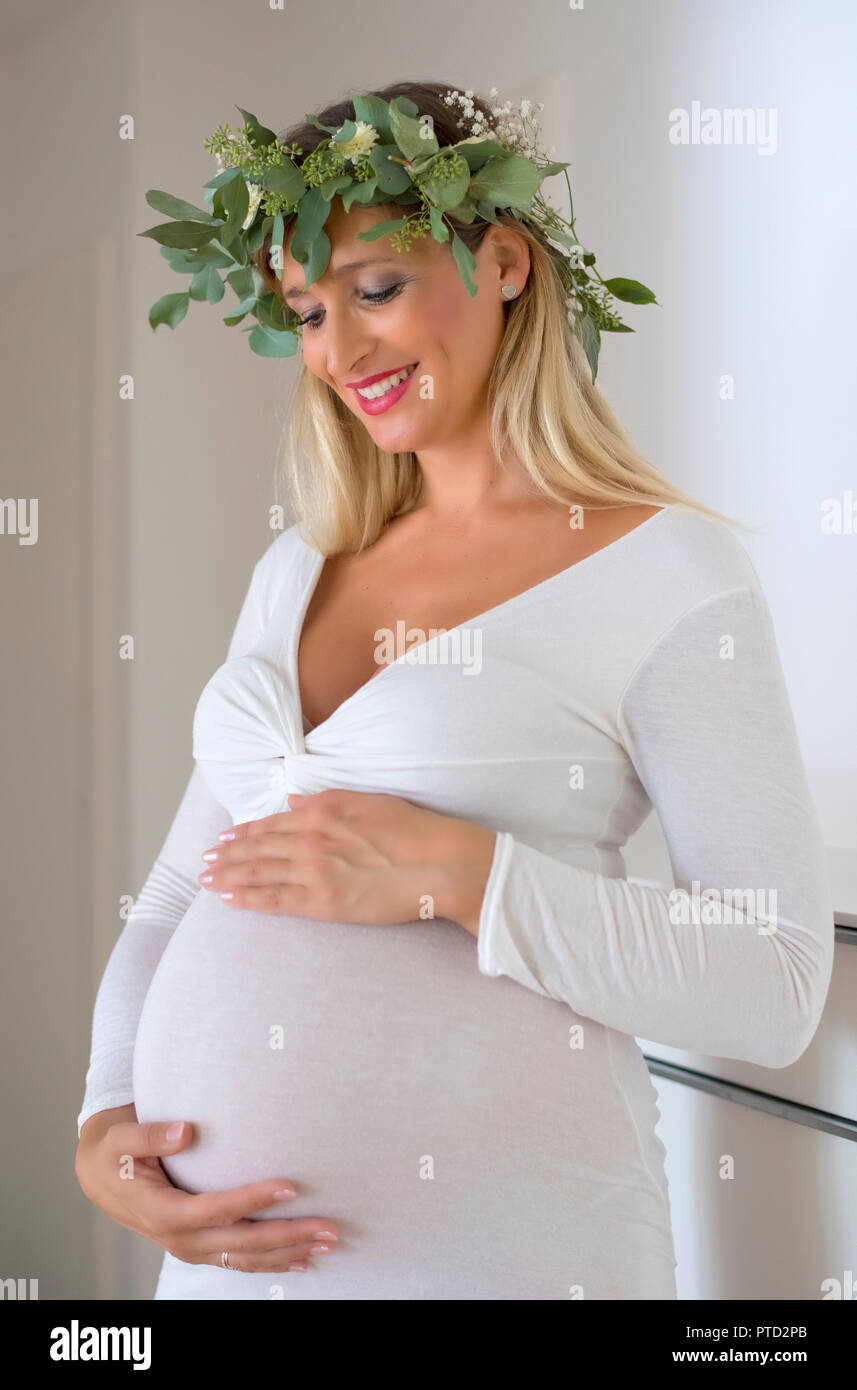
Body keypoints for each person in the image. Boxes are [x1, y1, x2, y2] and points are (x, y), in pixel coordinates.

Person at [75, 81, 834, 1300]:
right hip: (220, 1270)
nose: (337, 352)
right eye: (307, 312)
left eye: (374, 290)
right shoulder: (296, 566)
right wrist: (106, 1108)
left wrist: (456, 871)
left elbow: (775, 981)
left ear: (506, 260)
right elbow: (180, 886)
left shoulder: (662, 569)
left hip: (503, 1253)